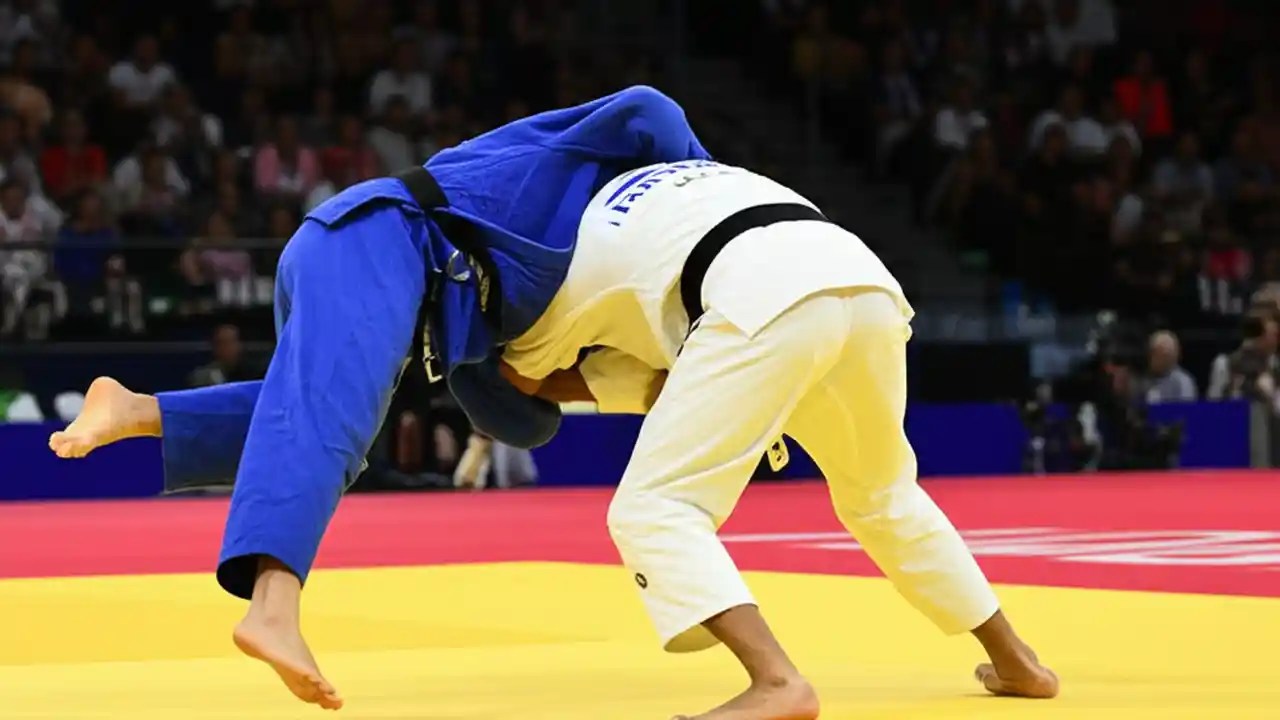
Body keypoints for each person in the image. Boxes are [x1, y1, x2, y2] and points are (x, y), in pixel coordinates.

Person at [50, 89, 1058, 719]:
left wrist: (689, 182)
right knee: (882, 490)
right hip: (857, 279)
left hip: (734, 283)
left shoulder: (565, 281)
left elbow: (526, 399)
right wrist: (698, 190)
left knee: (636, 502)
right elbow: (519, 410)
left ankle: (776, 681)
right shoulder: (570, 256)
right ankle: (1011, 659)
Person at [47, 86, 710, 712]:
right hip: (382, 237)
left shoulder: (571, 301)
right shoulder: (601, 190)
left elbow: (512, 411)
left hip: (386, 287)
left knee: (325, 416)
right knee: (329, 422)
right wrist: (711, 192)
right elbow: (648, 107)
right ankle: (273, 604)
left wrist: (671, 389)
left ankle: (137, 410)